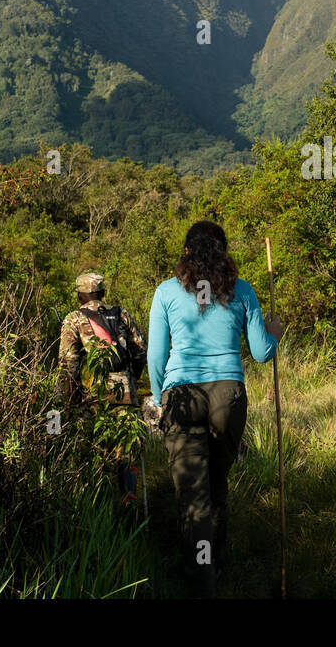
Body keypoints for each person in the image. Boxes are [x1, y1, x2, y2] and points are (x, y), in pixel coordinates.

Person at [147, 221, 282, 597]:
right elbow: (260, 353)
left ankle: (201, 581)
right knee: (217, 484)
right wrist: (274, 334)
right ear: (224, 253)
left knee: (193, 495)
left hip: (181, 396)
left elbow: (155, 356)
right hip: (228, 395)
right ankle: (216, 561)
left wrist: (160, 401)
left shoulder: (166, 292)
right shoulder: (242, 291)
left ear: (186, 252)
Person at [58, 272, 144, 408]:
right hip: (125, 391)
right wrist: (132, 380)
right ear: (103, 293)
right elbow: (140, 350)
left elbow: (68, 361)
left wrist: (70, 400)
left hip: (91, 394)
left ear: (79, 296)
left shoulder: (74, 318)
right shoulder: (122, 313)